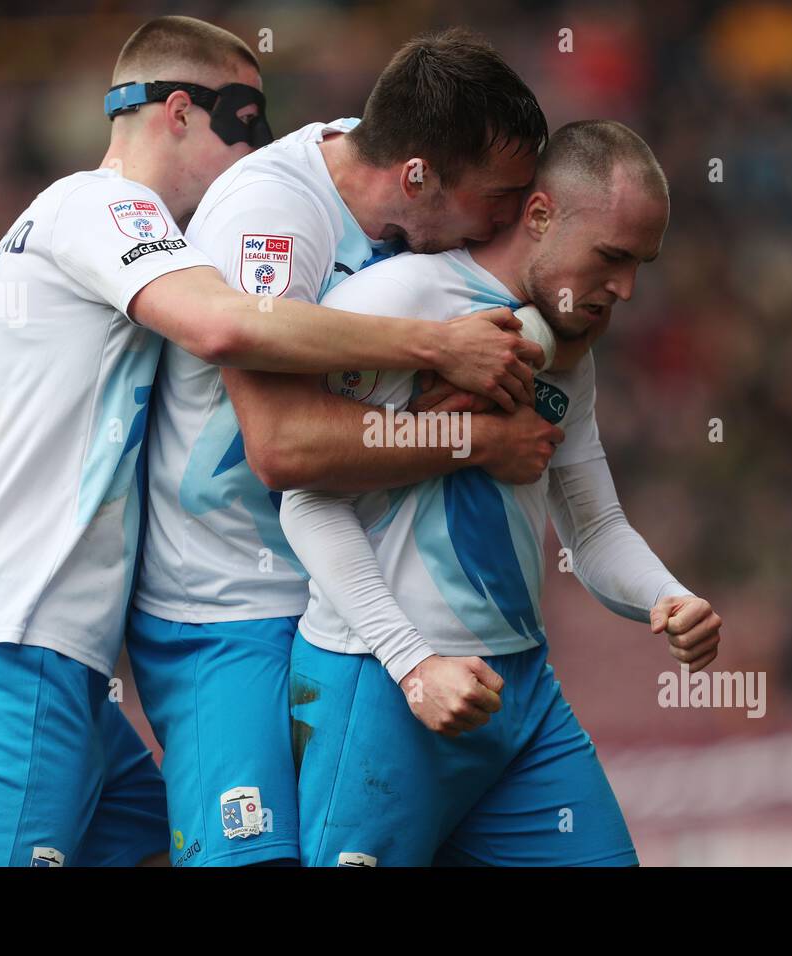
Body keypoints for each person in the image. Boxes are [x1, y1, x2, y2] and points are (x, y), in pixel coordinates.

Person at [0, 16, 536, 868]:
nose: (255, 155)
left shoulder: (109, 230)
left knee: (157, 843)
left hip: (58, 652)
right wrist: (434, 345)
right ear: (178, 111)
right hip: (13, 640)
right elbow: (229, 324)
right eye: (247, 125)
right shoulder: (102, 204)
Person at [128, 27, 564, 866]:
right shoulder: (275, 220)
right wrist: (473, 438)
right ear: (419, 177)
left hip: (336, 601)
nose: (508, 223)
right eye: (500, 198)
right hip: (228, 606)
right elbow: (284, 449)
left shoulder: (398, 204)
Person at [280, 121, 724, 866]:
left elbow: (595, 526)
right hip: (384, 686)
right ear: (541, 215)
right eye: (611, 258)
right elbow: (307, 500)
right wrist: (413, 665)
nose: (626, 290)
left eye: (641, 265)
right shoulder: (399, 299)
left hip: (520, 694)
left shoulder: (567, 345)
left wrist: (666, 597)